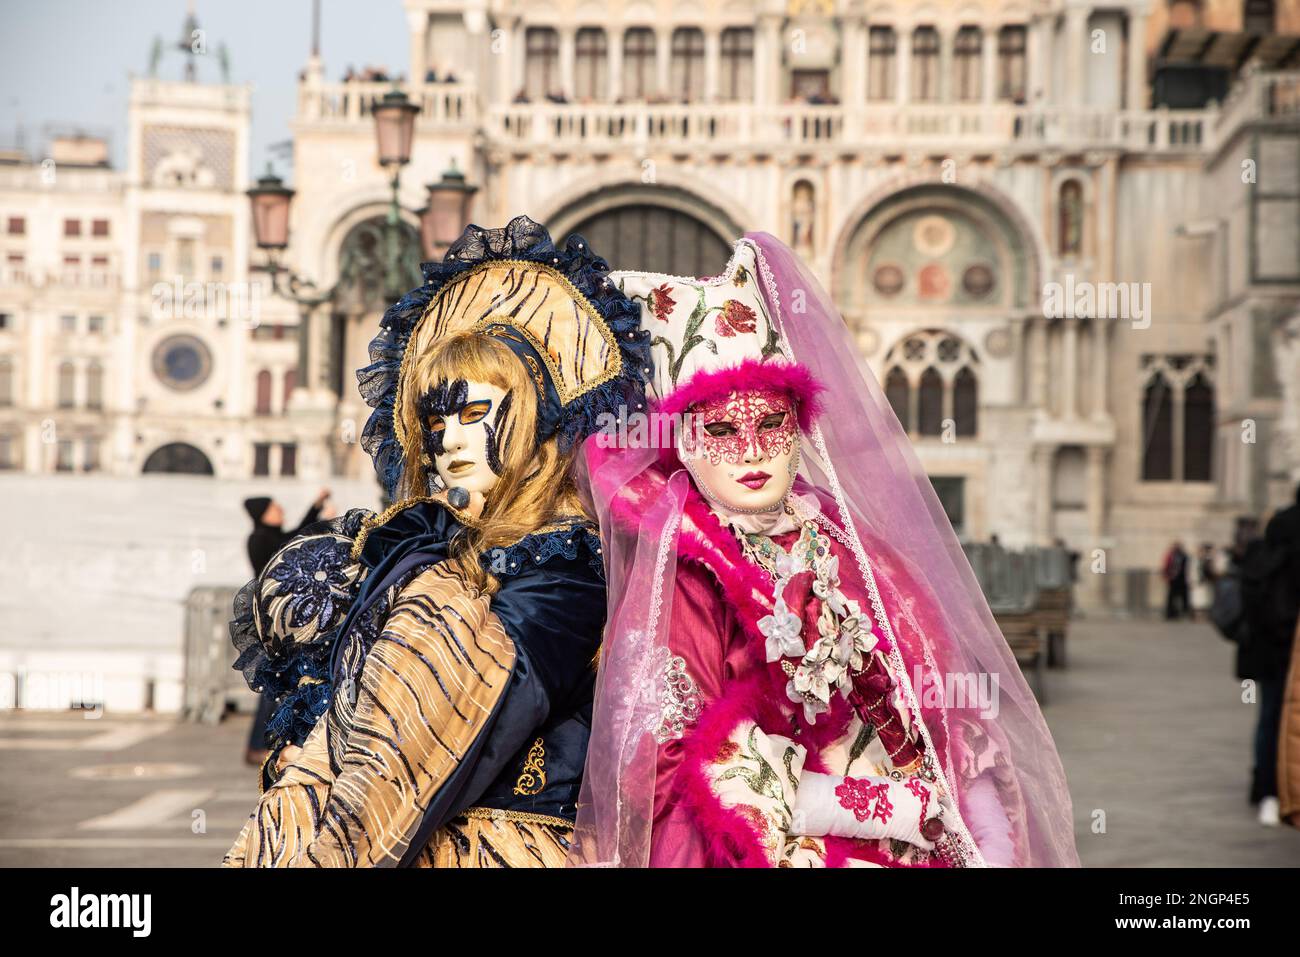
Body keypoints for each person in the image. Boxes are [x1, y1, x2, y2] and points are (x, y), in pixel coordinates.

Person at [573, 233, 1078, 867]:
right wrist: (876, 808)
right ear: (684, 442)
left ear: (799, 426)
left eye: (771, 424)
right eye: (721, 430)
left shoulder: (849, 547)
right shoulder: (690, 570)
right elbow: (670, 760)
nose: (751, 451)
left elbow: (938, 704)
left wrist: (981, 829)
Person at [222, 216, 651, 867]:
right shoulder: (440, 551)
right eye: (435, 420)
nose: (449, 438)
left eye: (475, 413)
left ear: (533, 419)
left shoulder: (565, 566)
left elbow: (452, 722)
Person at [240, 490, 331, 766]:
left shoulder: (270, 537)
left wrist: (316, 508)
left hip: (284, 622)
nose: (280, 511)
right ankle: (259, 745)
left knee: (282, 684)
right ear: (263, 514)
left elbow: (295, 534)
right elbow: (293, 540)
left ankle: (269, 744)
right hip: (274, 625)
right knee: (276, 683)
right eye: (274, 508)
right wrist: (320, 518)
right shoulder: (260, 539)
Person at [1240, 486, 1300, 826]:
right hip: (1286, 648)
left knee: (1270, 718)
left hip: (1268, 650)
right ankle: (1279, 792)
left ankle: (1266, 789)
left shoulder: (1267, 547)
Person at [1162, 540, 1190, 620]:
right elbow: (1167, 566)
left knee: (1183, 597)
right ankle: (1171, 613)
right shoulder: (1171, 556)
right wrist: (1166, 575)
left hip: (1182, 579)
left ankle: (1183, 612)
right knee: (1172, 597)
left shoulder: (1184, 556)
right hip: (1173, 579)